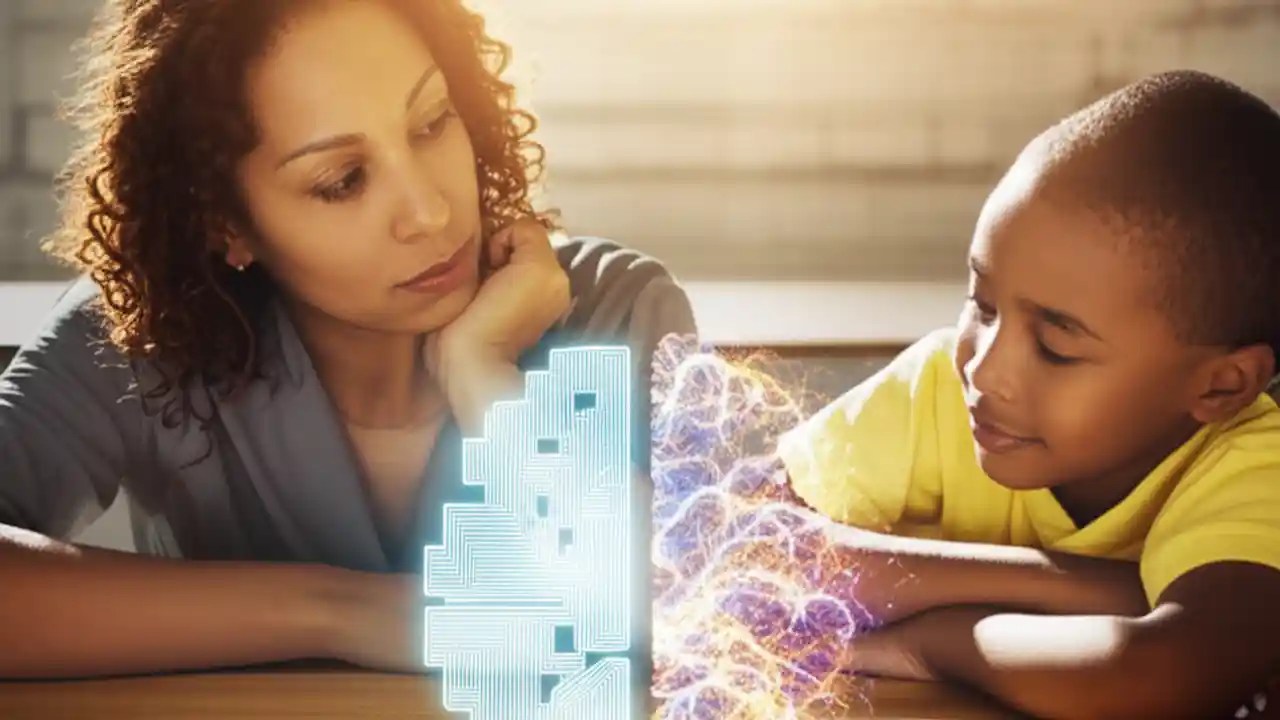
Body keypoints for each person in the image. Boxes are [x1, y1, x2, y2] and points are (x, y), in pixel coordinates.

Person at [0, 0, 694, 680]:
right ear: (225, 224)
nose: (430, 211)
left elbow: (723, 613)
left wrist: (484, 374)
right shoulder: (142, 335)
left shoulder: (616, 312)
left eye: (431, 124)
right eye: (343, 181)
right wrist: (345, 611)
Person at [775, 70, 1280, 718]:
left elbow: (1160, 676)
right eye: (982, 306)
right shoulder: (937, 388)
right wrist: (1091, 588)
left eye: (1057, 347)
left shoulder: (1255, 467)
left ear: (1221, 385)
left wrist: (933, 643)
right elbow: (736, 541)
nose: (984, 371)